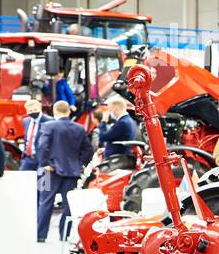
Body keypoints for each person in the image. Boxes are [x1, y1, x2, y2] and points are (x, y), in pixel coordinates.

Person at [34, 100, 91, 243]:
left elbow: (42, 147)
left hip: (47, 171)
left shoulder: (47, 126)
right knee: (68, 205)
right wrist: (80, 164)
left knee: (44, 202)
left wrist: (45, 164)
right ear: (69, 111)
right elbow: (88, 150)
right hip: (72, 172)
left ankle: (41, 236)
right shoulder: (79, 128)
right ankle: (64, 235)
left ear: (54, 111)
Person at [97, 95, 138, 164]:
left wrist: (103, 121)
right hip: (119, 158)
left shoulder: (122, 123)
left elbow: (102, 137)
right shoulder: (129, 121)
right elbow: (119, 140)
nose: (109, 112)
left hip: (115, 161)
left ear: (116, 109)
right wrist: (105, 150)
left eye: (110, 110)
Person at [20, 99, 50, 171]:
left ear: (40, 108)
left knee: (43, 181)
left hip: (43, 160)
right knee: (22, 180)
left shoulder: (49, 121)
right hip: (28, 158)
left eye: (35, 109)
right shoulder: (26, 121)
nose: (33, 112)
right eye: (30, 111)